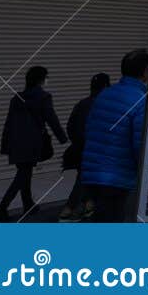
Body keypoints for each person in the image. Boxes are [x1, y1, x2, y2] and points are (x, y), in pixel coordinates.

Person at [83, 48, 148, 222]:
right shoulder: (141, 99)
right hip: (119, 177)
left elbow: (90, 129)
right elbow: (139, 144)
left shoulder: (105, 94)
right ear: (145, 71)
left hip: (94, 173)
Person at [0, 65, 68, 222]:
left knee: (24, 173)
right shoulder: (43, 97)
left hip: (15, 142)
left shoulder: (16, 98)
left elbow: (8, 123)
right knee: (22, 176)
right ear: (41, 80)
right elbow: (51, 118)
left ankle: (28, 204)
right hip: (31, 143)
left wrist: (5, 145)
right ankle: (1, 209)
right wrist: (62, 138)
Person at [59, 72, 109, 221]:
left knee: (86, 177)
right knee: (85, 178)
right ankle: (70, 209)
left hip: (79, 148)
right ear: (105, 87)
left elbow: (70, 126)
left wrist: (76, 141)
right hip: (95, 149)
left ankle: (88, 204)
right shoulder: (103, 105)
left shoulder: (81, 104)